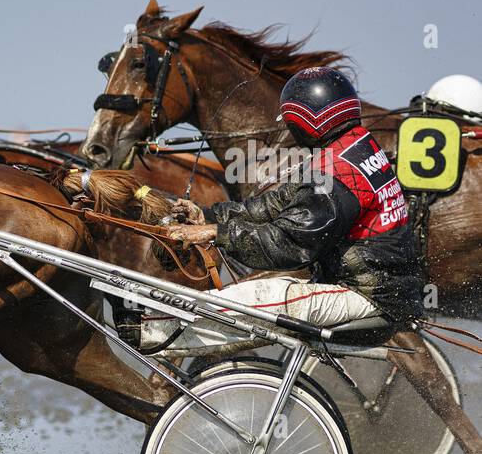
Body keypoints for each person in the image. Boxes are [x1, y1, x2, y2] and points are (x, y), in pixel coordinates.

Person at [146, 66, 423, 353]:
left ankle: (147, 333)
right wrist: (207, 216)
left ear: (303, 122)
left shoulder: (336, 173)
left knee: (242, 301)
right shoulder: (355, 146)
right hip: (383, 292)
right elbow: (276, 204)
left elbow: (288, 244)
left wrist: (217, 233)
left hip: (368, 297)